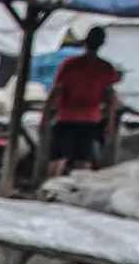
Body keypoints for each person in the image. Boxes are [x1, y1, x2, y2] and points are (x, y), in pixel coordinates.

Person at [46, 26, 122, 178]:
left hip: (66, 117)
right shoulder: (105, 67)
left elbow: (56, 92)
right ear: (101, 44)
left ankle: (51, 188)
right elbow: (110, 98)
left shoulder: (70, 64)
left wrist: (44, 117)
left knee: (59, 159)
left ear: (85, 43)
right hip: (91, 119)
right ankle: (77, 192)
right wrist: (111, 122)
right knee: (84, 160)